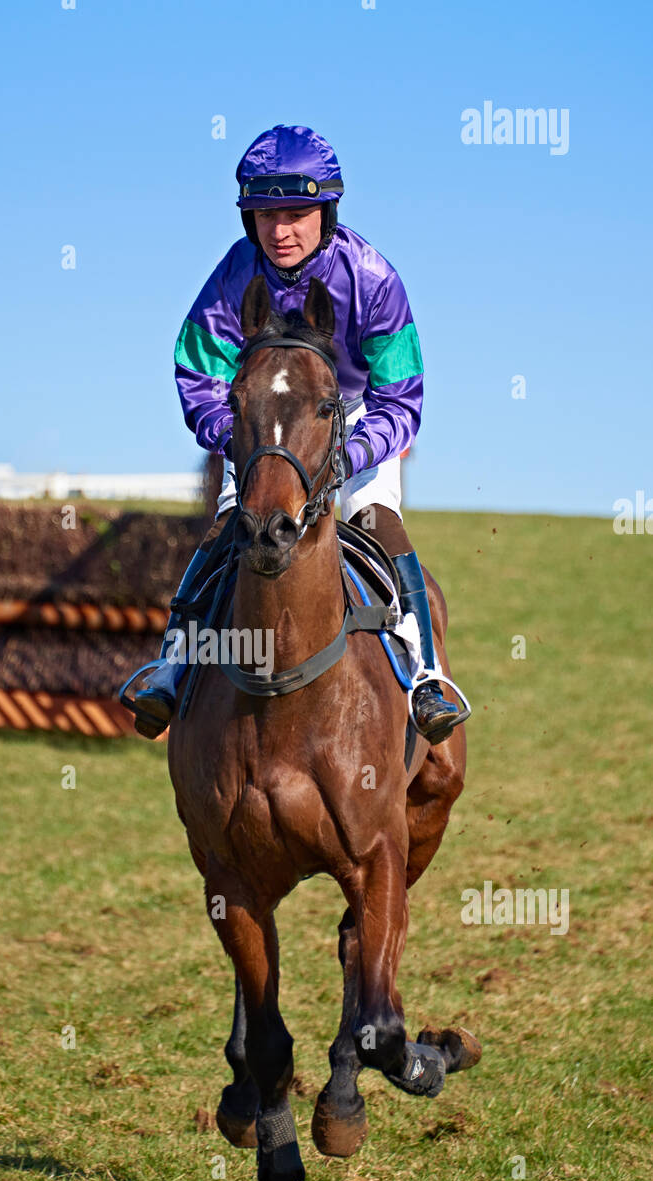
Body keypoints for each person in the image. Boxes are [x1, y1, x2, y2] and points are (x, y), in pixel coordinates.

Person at [130, 123, 468, 744]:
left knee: (380, 523)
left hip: (356, 418)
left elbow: (402, 395)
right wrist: (239, 436)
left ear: (326, 211)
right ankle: (171, 668)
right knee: (230, 524)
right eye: (263, 215)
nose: (279, 231)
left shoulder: (374, 278)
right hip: (265, 428)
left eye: (295, 213)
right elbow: (198, 370)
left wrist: (350, 452)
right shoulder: (234, 276)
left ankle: (425, 677)